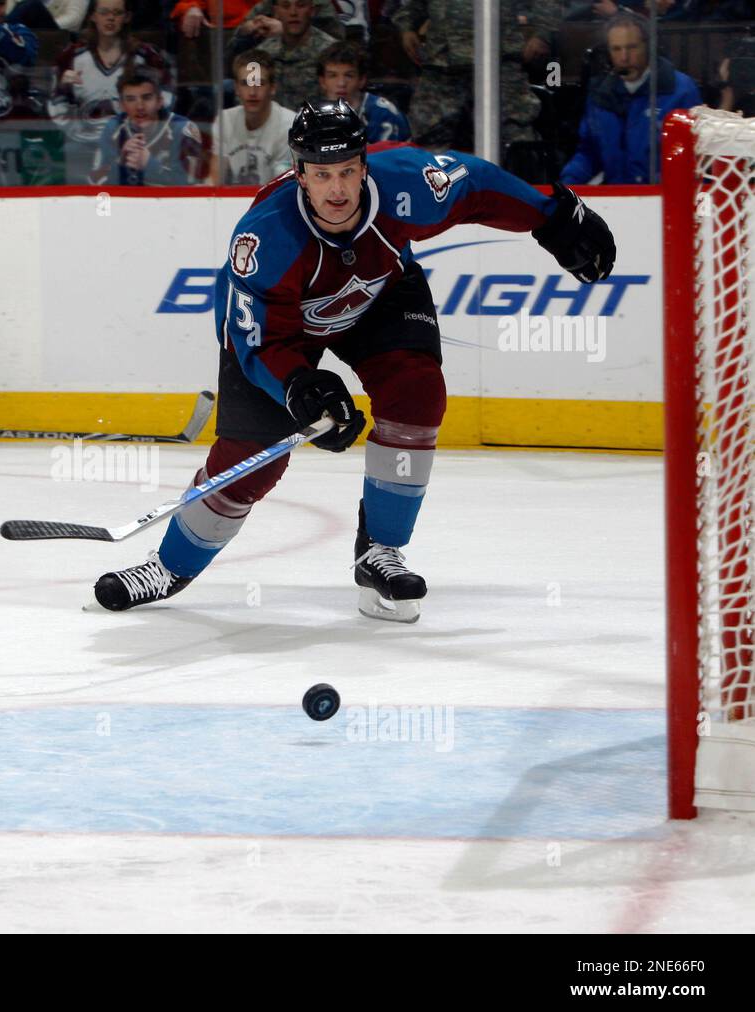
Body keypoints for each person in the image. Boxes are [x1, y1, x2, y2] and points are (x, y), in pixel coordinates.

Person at [93, 100, 616, 621]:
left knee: (416, 392)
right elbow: (260, 344)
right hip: (277, 334)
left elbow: (475, 185)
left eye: (347, 171)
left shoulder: (406, 184)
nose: (338, 190)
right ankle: (168, 566)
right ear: (300, 174)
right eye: (322, 175)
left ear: (365, 166)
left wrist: (550, 213)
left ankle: (380, 551)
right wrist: (300, 388)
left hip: (380, 293)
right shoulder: (264, 239)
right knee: (254, 458)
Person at [392, 0, 561, 151]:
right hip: (442, 63)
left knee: (515, 136)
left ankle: (517, 184)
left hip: (499, 61)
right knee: (427, 136)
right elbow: (412, 6)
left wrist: (543, 35)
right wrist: (407, 27)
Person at [559, 14, 702, 185]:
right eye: (616, 49)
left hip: (666, 199)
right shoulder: (600, 94)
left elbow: (697, 155)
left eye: (632, 48)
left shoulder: (681, 90)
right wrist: (568, 183)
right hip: (617, 199)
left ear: (648, 47)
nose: (624, 58)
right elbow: (589, 152)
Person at [47, 0, 173, 172]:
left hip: (134, 146)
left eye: (117, 13)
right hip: (82, 146)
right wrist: (64, 88)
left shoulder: (146, 57)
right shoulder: (70, 57)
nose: (110, 18)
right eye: (104, 12)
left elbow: (165, 99)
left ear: (127, 17)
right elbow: (56, 106)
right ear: (93, 16)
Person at [88, 70, 203, 185]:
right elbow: (96, 183)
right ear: (121, 106)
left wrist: (150, 166)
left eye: (147, 98)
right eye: (131, 99)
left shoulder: (184, 129)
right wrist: (120, 164)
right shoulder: (113, 128)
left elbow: (191, 186)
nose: (139, 107)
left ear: (160, 101)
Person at [227, 0, 342, 112]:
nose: (293, 12)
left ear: (312, 11)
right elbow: (245, 102)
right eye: (286, 6)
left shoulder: (330, 53)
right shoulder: (262, 55)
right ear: (276, 12)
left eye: (300, 5)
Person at [210, 50, 295, 185]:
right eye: (245, 83)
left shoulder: (289, 125)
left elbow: (283, 187)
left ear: (272, 88)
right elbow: (214, 182)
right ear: (236, 88)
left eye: (260, 83)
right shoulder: (224, 120)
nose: (252, 92)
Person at [317, 42, 409, 143]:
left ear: (362, 80)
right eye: (333, 76)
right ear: (323, 81)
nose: (341, 83)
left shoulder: (383, 114)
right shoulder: (311, 115)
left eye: (349, 75)